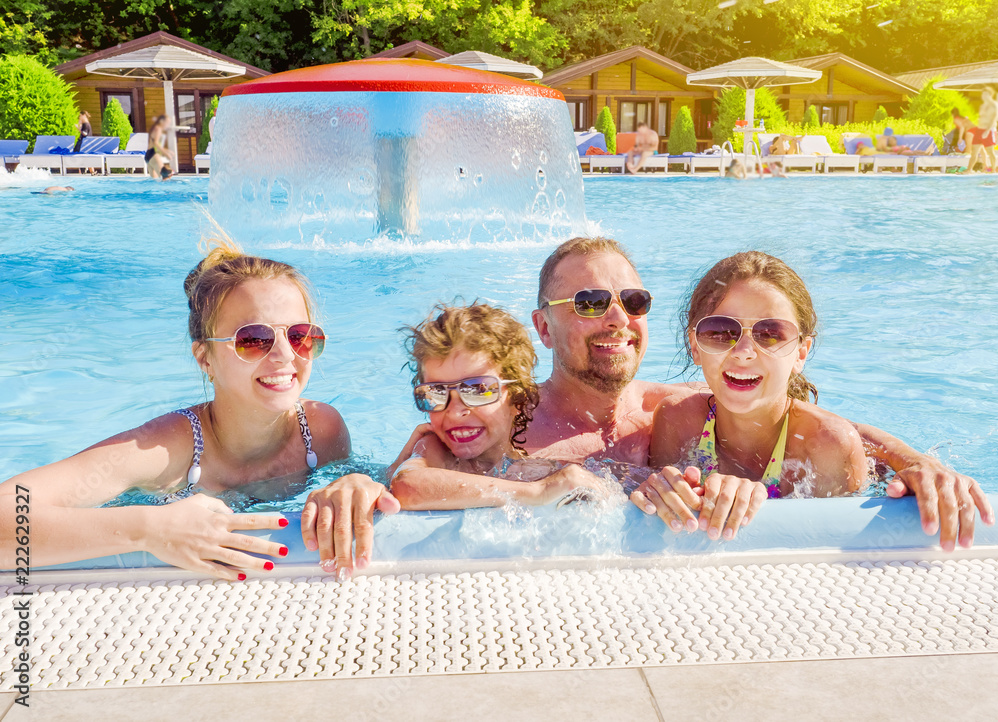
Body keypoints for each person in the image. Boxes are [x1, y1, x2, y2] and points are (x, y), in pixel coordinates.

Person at [319, 237, 993, 568]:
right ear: (544, 326)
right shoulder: (501, 417)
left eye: (632, 301)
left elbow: (796, 417)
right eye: (589, 303)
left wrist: (914, 461)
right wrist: (353, 482)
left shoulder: (674, 408)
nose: (616, 318)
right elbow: (414, 470)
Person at [0, 236, 361, 579]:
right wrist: (151, 529)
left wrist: (355, 486)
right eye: (254, 339)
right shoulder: (165, 450)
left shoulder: (321, 432)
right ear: (205, 358)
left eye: (300, 335)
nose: (285, 355)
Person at [636, 252, 869, 539]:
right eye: (721, 331)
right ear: (695, 346)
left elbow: (839, 553)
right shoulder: (677, 421)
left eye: (770, 333)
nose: (743, 351)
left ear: (800, 352)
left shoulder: (827, 447)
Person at [387, 303, 611, 510]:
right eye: (436, 393)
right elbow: (407, 486)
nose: (455, 412)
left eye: (476, 390)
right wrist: (537, 492)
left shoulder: (539, 470)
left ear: (516, 397)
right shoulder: (436, 450)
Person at [965, 88, 998, 173]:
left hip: (989, 130)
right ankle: (969, 170)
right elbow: (981, 119)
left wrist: (987, 131)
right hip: (979, 130)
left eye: (986, 94)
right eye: (983, 94)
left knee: (990, 152)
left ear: (990, 95)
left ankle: (993, 171)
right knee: (974, 152)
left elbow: (993, 119)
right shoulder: (982, 106)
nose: (983, 96)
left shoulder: (994, 105)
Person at [146, 115, 176, 180]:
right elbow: (156, 143)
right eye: (167, 122)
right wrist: (166, 153)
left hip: (149, 155)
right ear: (161, 121)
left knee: (154, 181)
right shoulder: (158, 129)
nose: (168, 125)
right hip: (153, 155)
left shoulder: (155, 128)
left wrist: (168, 151)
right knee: (165, 178)